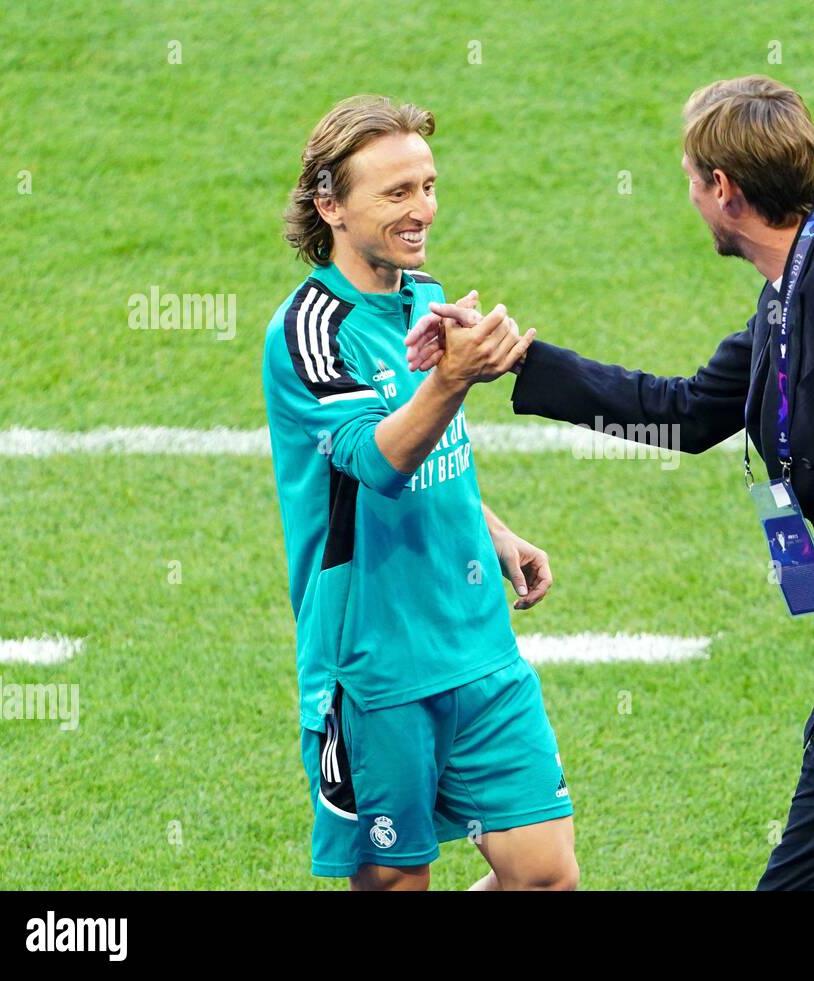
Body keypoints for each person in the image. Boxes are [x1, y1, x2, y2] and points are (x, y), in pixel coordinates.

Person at [408, 76, 814, 890]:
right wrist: (517, 362)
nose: (686, 193)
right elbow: (681, 413)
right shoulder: (793, 289)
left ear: (724, 191)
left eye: (688, 176)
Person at [262, 95, 577, 891]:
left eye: (428, 185)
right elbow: (374, 460)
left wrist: (492, 529)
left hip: (477, 647)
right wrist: (453, 376)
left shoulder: (423, 294)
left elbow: (437, 451)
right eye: (397, 193)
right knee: (396, 884)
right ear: (330, 204)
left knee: (545, 876)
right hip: (373, 665)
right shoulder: (310, 330)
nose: (423, 209)